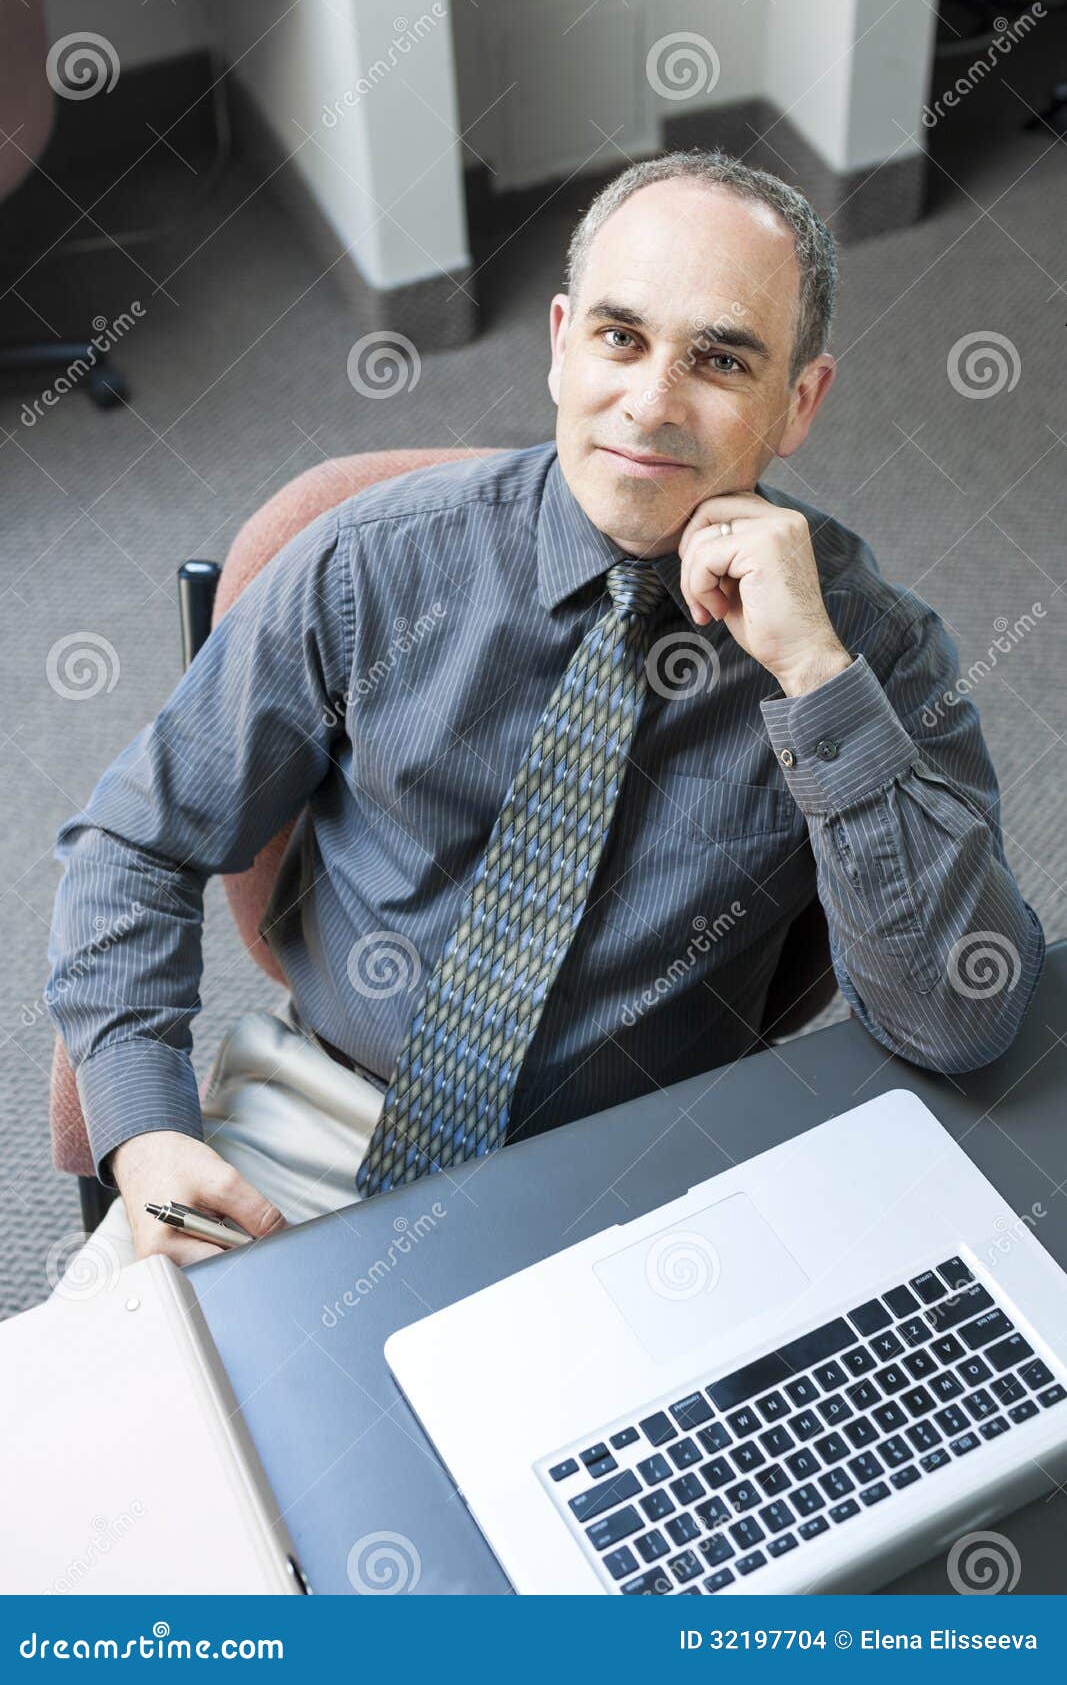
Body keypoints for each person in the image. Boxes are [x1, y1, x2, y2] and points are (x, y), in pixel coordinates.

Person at [46, 149, 1044, 1275]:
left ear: (797, 401)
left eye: (719, 359)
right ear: (561, 342)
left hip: (642, 1185)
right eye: (620, 338)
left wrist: (813, 674)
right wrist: (143, 1129)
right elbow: (133, 839)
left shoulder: (870, 648)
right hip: (318, 1125)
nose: (652, 402)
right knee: (102, 1430)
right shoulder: (375, 560)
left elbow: (958, 1019)